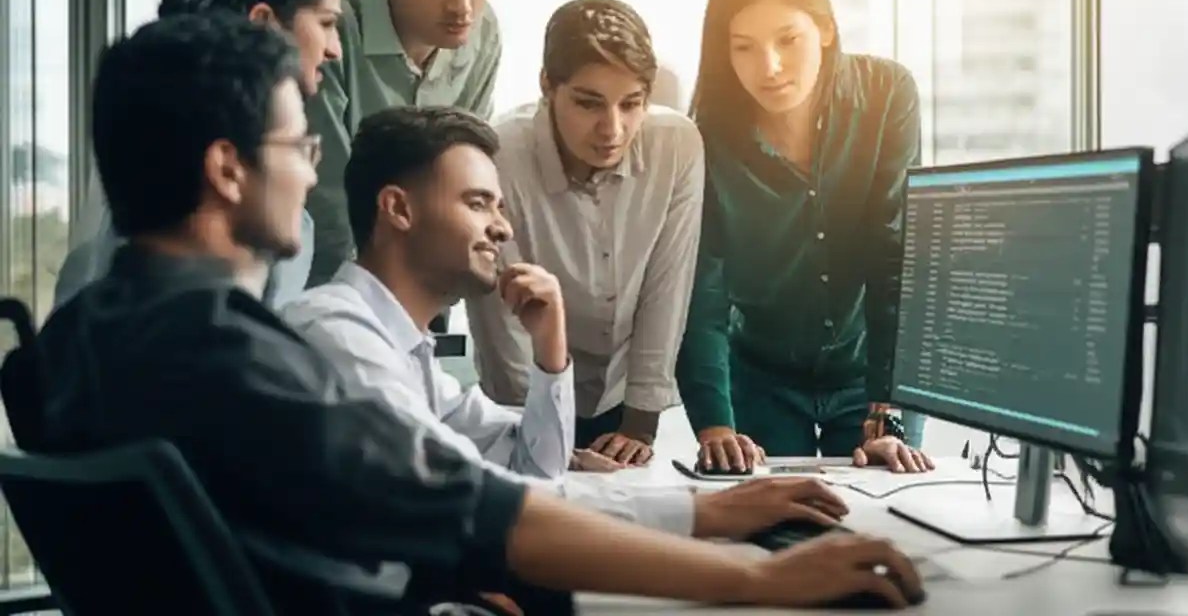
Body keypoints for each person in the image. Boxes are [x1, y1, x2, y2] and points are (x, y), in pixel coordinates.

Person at [25, 12, 925, 614]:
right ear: (227, 170)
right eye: (298, 145)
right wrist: (761, 580)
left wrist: (708, 517)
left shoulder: (81, 337)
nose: (310, 174)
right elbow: (489, 515)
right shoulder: (238, 358)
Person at [285, 104, 829, 541]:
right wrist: (706, 513)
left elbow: (535, 470)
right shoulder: (341, 339)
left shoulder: (413, 358)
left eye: (499, 207)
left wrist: (550, 352)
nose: (501, 228)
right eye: (479, 204)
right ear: (398, 210)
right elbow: (486, 500)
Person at [676, 0, 935, 473]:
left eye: (787, 40)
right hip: (760, 377)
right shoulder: (704, 138)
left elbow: (895, 253)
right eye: (743, 47)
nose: (768, 68)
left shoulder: (887, 96)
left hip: (868, 374)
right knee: (770, 532)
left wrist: (887, 413)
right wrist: (715, 424)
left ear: (826, 29)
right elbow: (702, 284)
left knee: (878, 517)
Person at [53, 0, 348, 310]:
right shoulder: (181, 208)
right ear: (263, 24)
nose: (335, 50)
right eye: (326, 22)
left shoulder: (142, 167)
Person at [467, 0, 703, 466]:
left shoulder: (677, 146)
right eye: (588, 103)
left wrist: (642, 421)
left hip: (623, 400)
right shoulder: (497, 155)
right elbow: (502, 320)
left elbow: (667, 286)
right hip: (524, 396)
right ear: (547, 87)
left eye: (631, 104)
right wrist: (537, 435)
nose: (611, 129)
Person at [306, 0, 504, 295]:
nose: (462, 6)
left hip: (420, 288)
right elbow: (329, 200)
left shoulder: (483, 35)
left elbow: (461, 182)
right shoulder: (334, 26)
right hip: (324, 286)